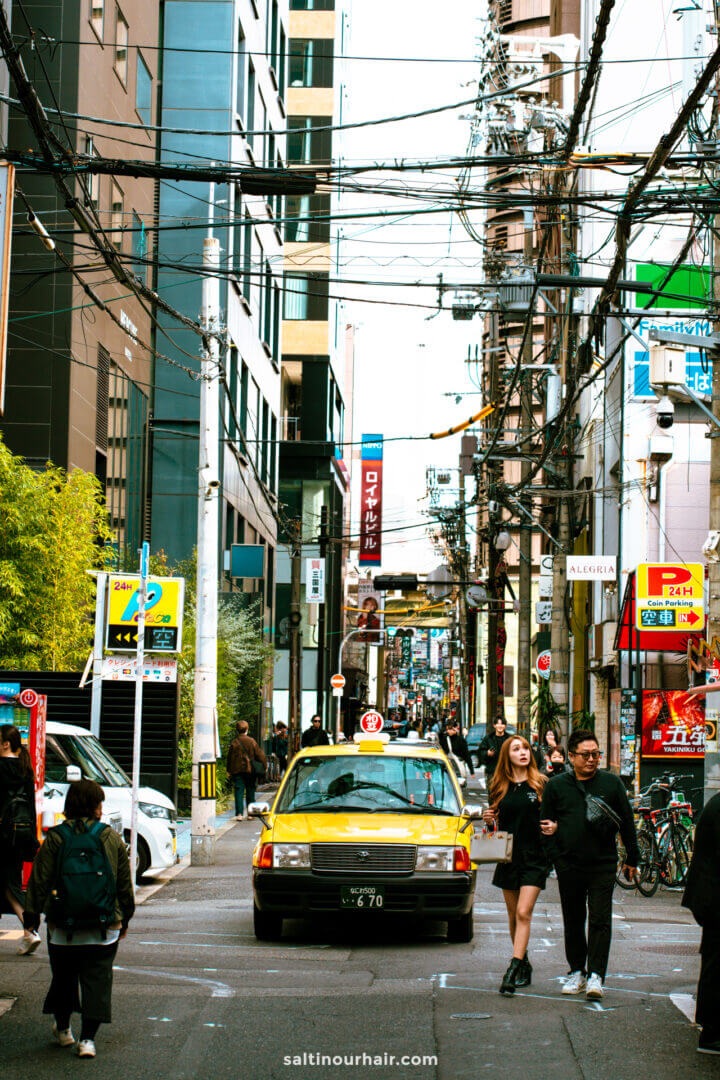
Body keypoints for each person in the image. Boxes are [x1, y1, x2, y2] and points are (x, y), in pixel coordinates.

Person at [23, 779, 134, 1058]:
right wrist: (125, 917)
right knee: (97, 980)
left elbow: (39, 881)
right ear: (96, 806)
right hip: (104, 924)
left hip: (63, 926)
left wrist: (31, 917)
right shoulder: (109, 837)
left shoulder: (56, 837)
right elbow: (123, 883)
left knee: (64, 978)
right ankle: (88, 1040)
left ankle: (63, 1031)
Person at [540, 728, 638, 1001]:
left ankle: (596, 975)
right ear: (571, 756)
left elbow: (627, 822)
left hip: (603, 864)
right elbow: (545, 824)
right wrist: (555, 858)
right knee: (573, 919)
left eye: (596, 754)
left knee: (599, 919)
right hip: (569, 864)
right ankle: (576, 971)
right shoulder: (557, 785)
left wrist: (633, 857)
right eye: (585, 755)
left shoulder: (612, 784)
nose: (592, 760)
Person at [483, 736, 548, 995]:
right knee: (513, 916)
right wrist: (489, 820)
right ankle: (524, 962)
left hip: (535, 857)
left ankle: (513, 967)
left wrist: (553, 827)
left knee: (523, 912)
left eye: (525, 749)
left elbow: (553, 818)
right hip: (508, 856)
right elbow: (496, 827)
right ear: (507, 756)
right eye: (516, 749)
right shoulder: (499, 786)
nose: (523, 753)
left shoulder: (542, 784)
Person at [682, 792, 720, 1054]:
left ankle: (711, 1028)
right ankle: (712, 1032)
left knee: (714, 958)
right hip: (714, 897)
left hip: (709, 895)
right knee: (717, 961)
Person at [0, 724, 40, 955]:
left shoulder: (1, 767)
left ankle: (31, 928)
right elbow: (31, 807)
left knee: (9, 885)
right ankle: (29, 930)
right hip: (20, 834)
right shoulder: (25, 769)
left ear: (5, 743)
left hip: (2, 835)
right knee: (10, 884)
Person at [227, 721, 267, 820]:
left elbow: (230, 758)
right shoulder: (251, 741)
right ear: (247, 729)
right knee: (250, 791)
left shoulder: (234, 742)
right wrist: (265, 765)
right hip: (250, 771)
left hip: (237, 771)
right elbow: (260, 755)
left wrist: (229, 770)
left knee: (239, 792)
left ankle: (239, 814)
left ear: (237, 730)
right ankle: (250, 814)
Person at [477, 717, 510, 783]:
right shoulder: (488, 738)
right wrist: (487, 753)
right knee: (492, 791)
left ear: (505, 726)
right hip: (492, 771)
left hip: (506, 772)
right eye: (498, 724)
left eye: (502, 724)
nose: (500, 726)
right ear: (494, 725)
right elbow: (480, 753)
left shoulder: (510, 739)